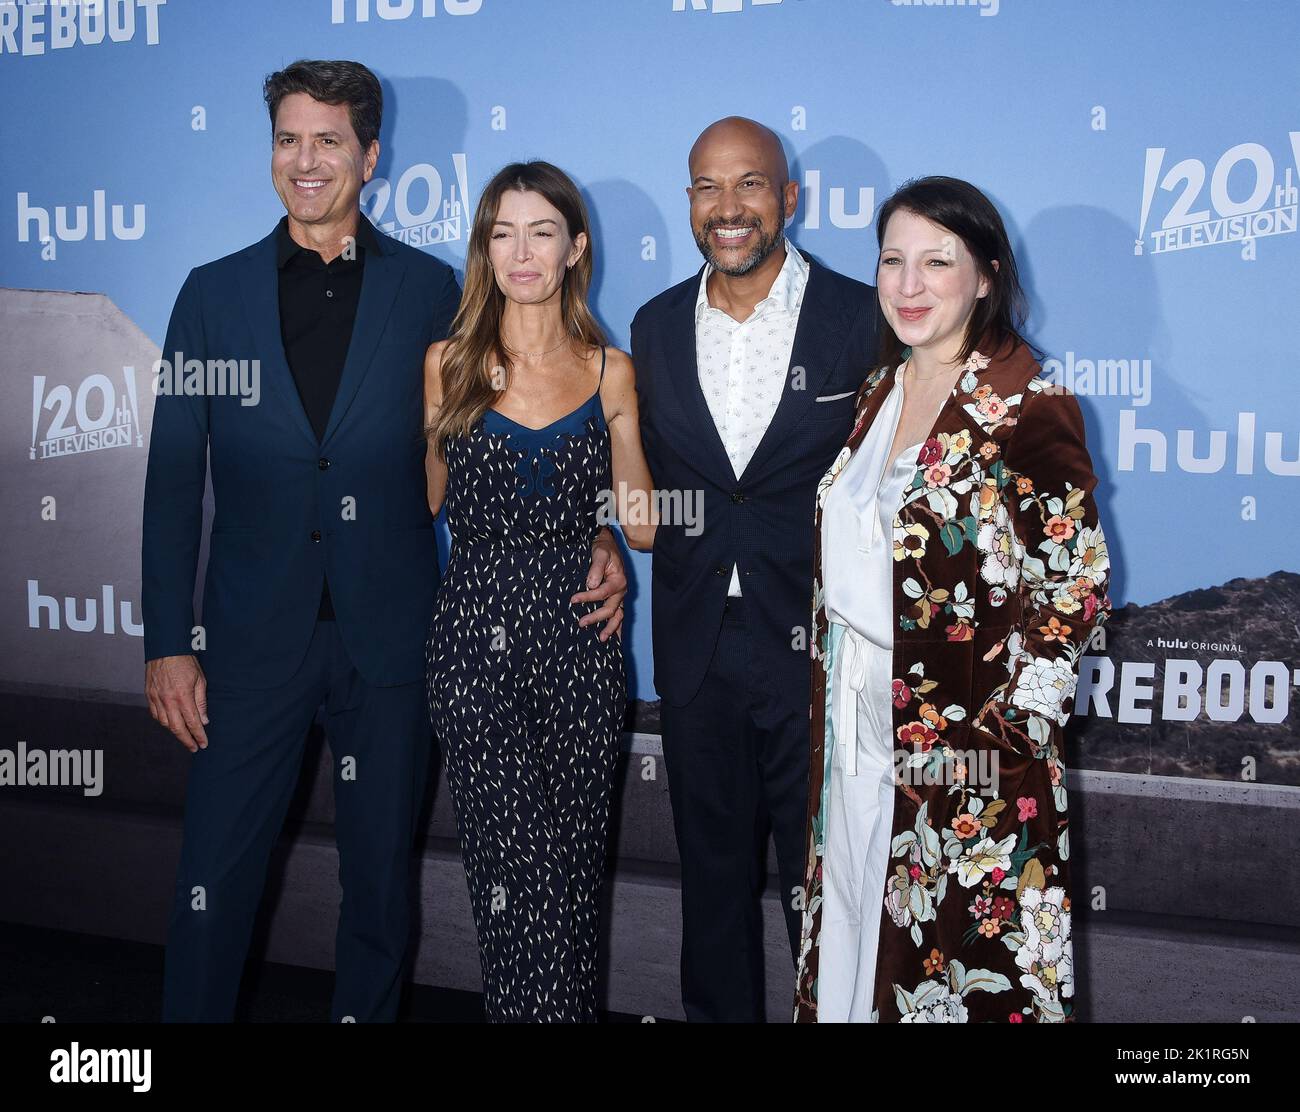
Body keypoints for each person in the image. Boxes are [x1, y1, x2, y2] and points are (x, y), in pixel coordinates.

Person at [142, 60, 628, 1022]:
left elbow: (519, 426)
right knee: (211, 885)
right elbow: (169, 480)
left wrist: (602, 526)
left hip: (398, 642)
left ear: (370, 156)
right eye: (289, 139)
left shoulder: (430, 290)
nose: (306, 160)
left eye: (329, 140)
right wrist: (166, 640)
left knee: (378, 894)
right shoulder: (210, 294)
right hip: (248, 645)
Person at [793, 176, 1111, 1023]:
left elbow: (1076, 582)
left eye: (937, 261)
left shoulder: (1029, 404)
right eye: (892, 260)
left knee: (953, 954)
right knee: (861, 920)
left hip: (968, 742)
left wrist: (1008, 734)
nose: (908, 284)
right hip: (856, 714)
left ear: (986, 276)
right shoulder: (877, 391)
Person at [631, 117, 879, 1021]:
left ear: (788, 198)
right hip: (697, 654)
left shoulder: (861, 319)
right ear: (689, 199)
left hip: (821, 653)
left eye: (748, 185)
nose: (727, 208)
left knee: (827, 895)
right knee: (712, 892)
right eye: (707, 186)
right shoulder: (653, 326)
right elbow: (636, 476)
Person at [424, 160, 655, 1022]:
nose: (522, 251)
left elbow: (640, 524)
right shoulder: (445, 363)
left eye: (542, 231)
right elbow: (429, 502)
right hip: (473, 636)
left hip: (580, 639)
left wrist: (602, 522)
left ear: (575, 248)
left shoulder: (611, 371)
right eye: (502, 232)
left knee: (571, 864)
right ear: (485, 248)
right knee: (514, 866)